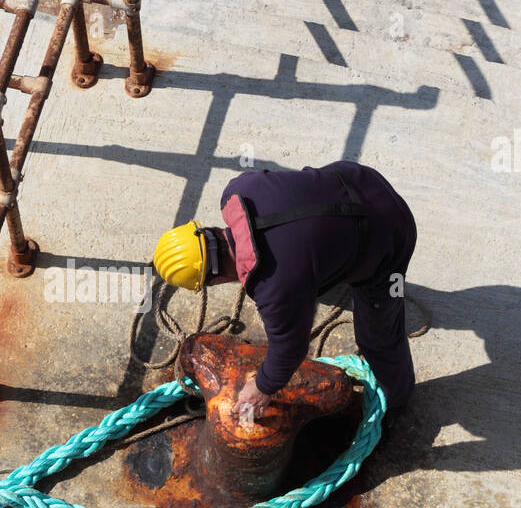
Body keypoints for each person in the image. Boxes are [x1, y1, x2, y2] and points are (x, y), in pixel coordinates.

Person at [152, 161, 417, 420]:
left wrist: (263, 387)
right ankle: (331, 254)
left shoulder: (274, 288)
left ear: (216, 279)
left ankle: (396, 400)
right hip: (360, 179)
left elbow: (289, 351)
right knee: (306, 257)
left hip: (393, 232)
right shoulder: (239, 189)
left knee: (378, 335)